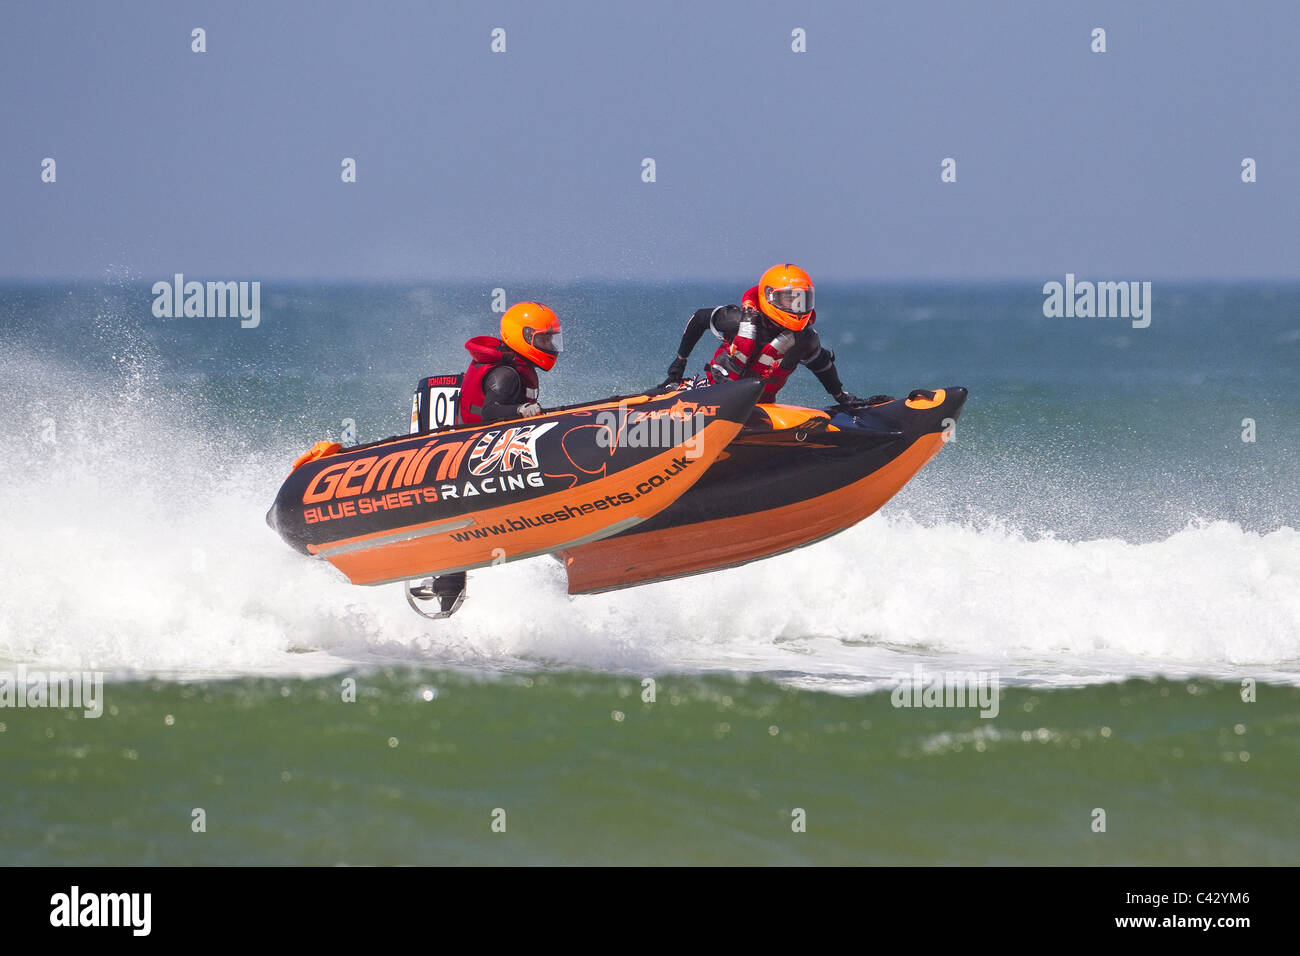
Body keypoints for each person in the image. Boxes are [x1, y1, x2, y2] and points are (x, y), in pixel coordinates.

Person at [413, 301, 563, 616]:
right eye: (544, 339)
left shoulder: (519, 367)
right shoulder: (507, 374)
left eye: (552, 339)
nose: (550, 346)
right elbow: (490, 414)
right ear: (523, 338)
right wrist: (521, 410)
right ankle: (444, 577)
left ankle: (564, 545)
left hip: (492, 451)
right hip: (475, 457)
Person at [663, 263, 878, 405]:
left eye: (802, 301)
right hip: (710, 397)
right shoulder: (736, 320)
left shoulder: (805, 339)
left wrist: (842, 397)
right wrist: (680, 361)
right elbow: (700, 318)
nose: (797, 308)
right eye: (790, 300)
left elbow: (822, 365)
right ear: (768, 296)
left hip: (760, 406)